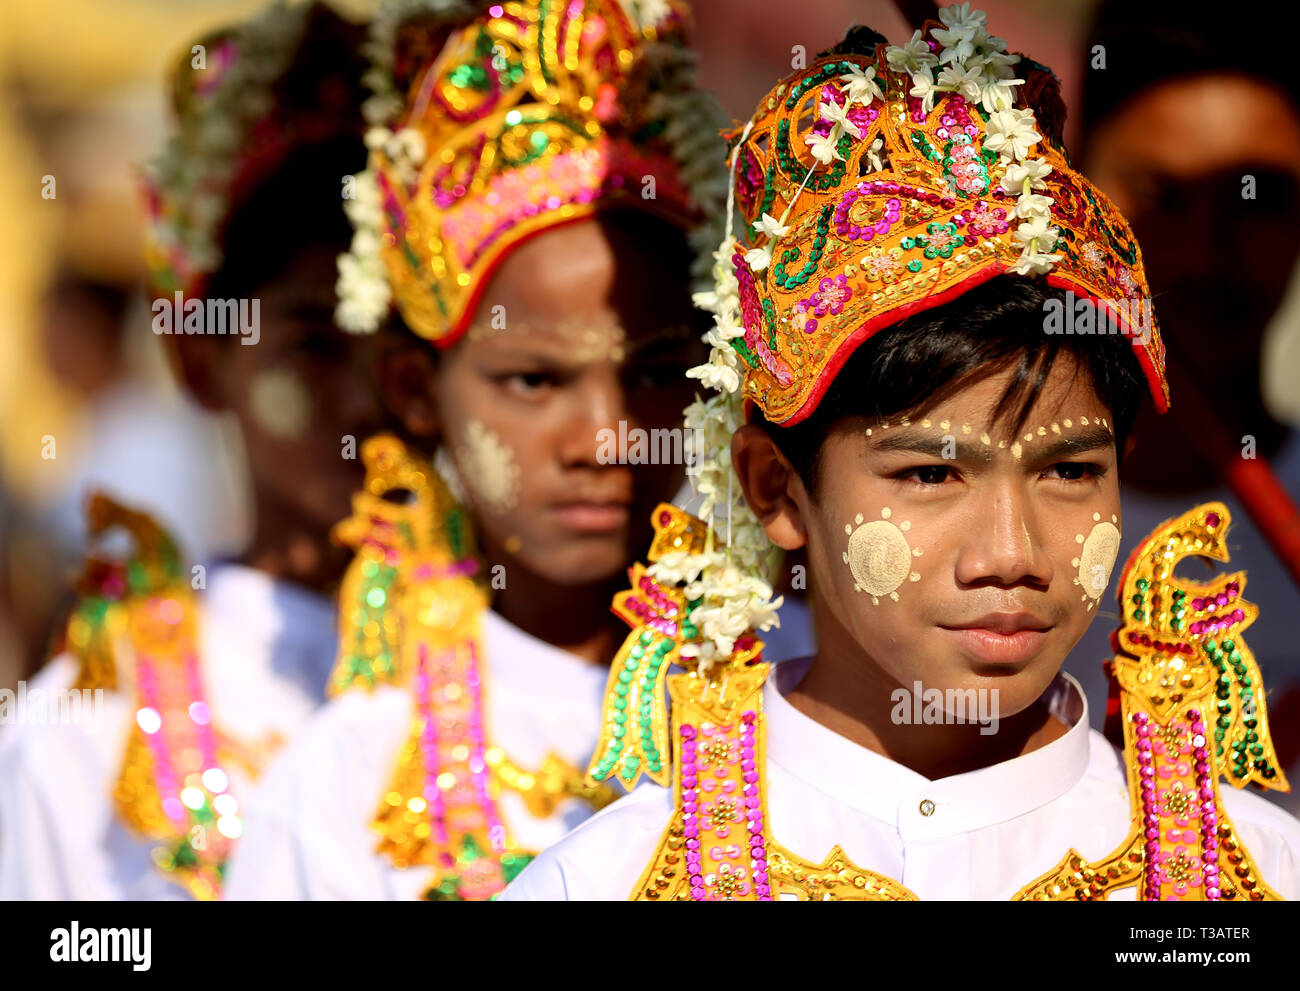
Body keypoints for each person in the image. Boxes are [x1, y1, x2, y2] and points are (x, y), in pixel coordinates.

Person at [501, 6, 1300, 901]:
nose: (1013, 555)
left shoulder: (1254, 873)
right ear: (777, 487)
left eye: (1070, 471)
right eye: (930, 473)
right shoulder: (607, 879)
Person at [222, 0, 810, 902]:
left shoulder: (815, 693)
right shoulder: (342, 782)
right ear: (418, 390)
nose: (604, 439)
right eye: (535, 382)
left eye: (653, 370)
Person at [0, 0, 384, 899]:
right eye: (314, 344)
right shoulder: (83, 728)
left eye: (396, 341)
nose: (366, 397)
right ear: (199, 355)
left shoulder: (539, 666)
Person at [1069, 0, 1300, 800]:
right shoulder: (947, 518)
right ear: (1071, 190)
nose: (1207, 254)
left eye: (1258, 200)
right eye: (1162, 196)